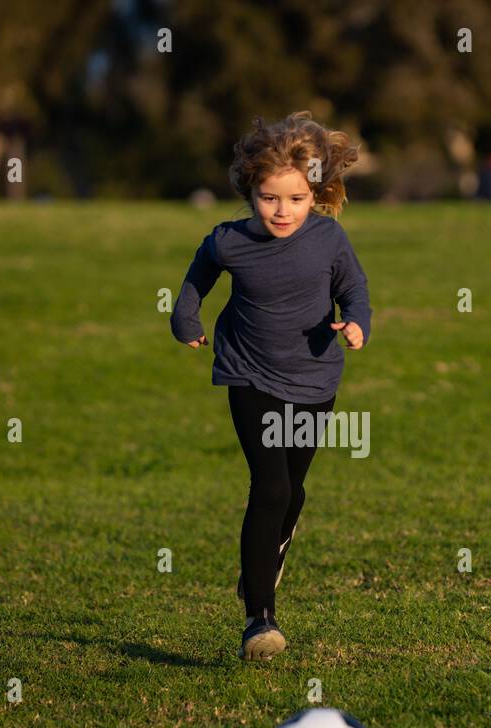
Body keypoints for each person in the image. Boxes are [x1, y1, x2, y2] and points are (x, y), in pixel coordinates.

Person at [170, 110, 373, 662]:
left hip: (313, 377)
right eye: (268, 198)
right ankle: (259, 619)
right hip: (248, 371)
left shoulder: (329, 239)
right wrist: (185, 318)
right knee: (272, 486)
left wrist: (356, 324)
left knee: (294, 487)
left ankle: (271, 552)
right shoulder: (230, 241)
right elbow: (198, 277)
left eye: (295, 200)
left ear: (315, 193)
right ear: (249, 190)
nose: (282, 212)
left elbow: (354, 290)